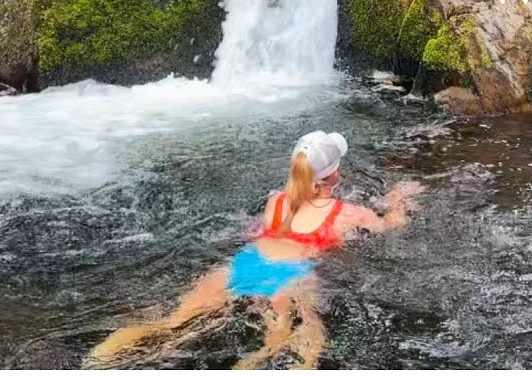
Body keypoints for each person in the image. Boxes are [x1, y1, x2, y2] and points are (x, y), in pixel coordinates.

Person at [86, 130, 424, 369]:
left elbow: (255, 231)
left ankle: (101, 357)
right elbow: (389, 226)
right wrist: (400, 199)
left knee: (172, 322)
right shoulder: (347, 214)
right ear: (332, 174)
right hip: (289, 278)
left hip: (245, 263)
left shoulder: (275, 200)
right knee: (298, 345)